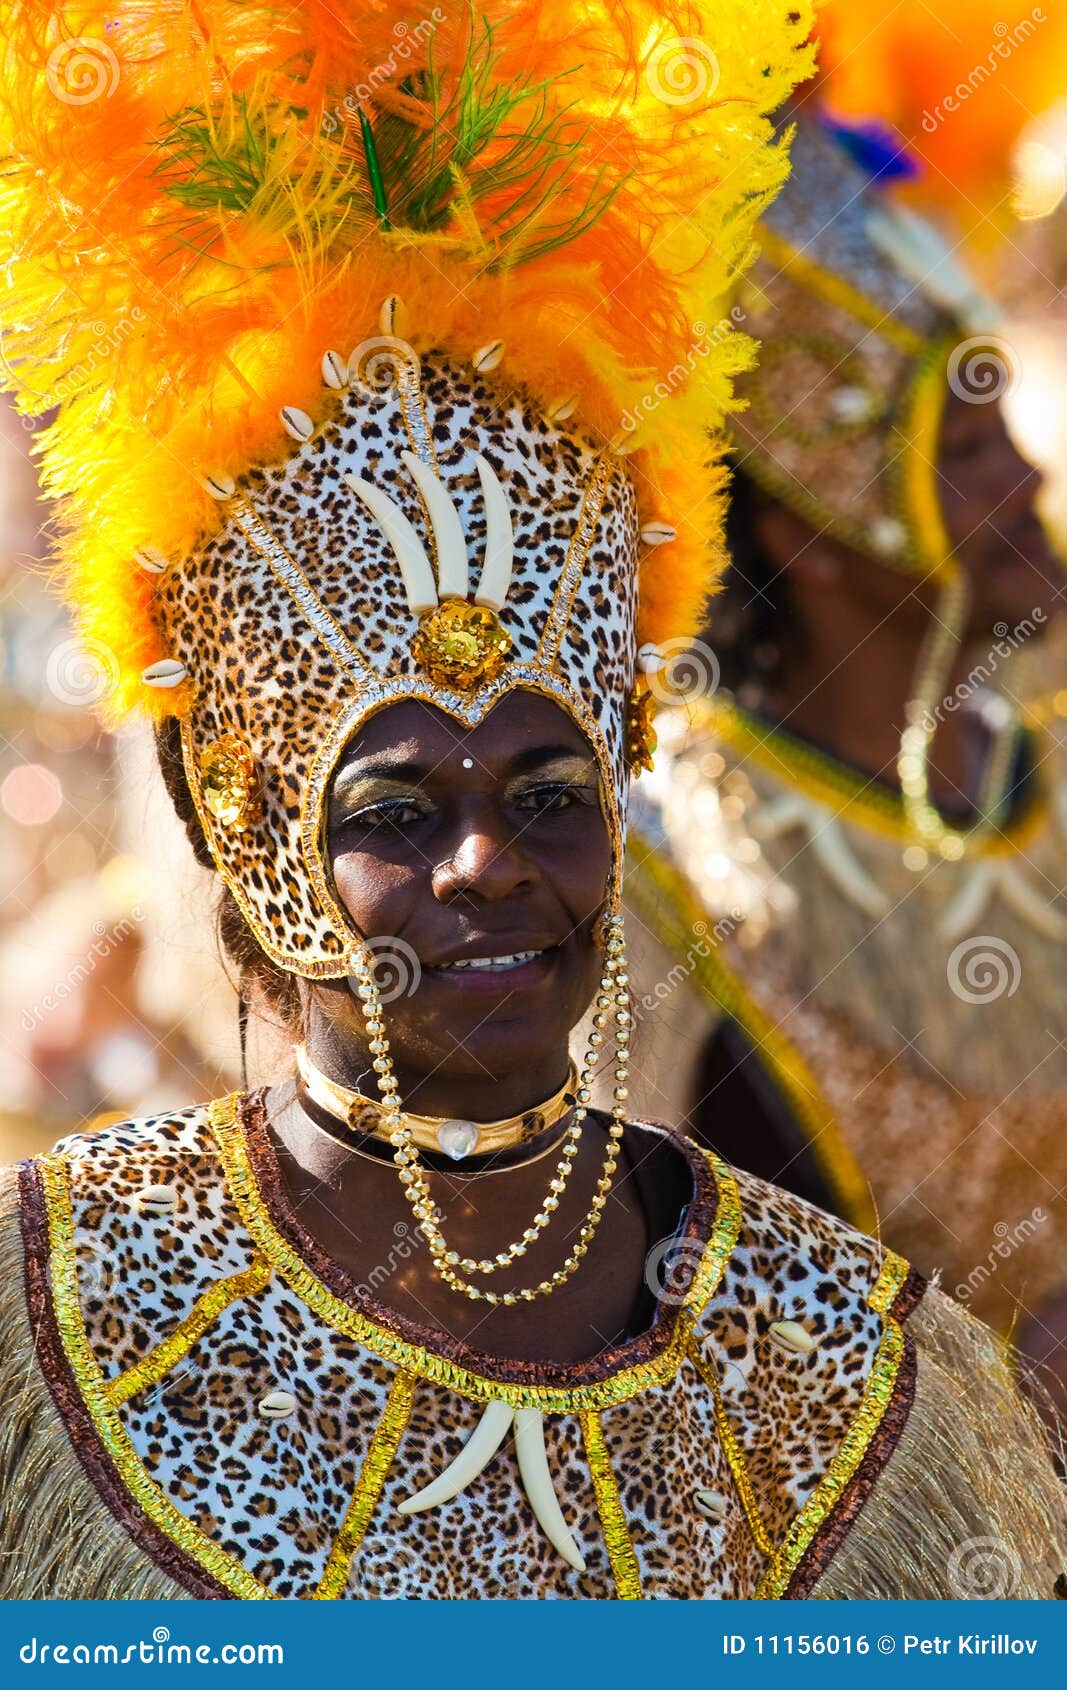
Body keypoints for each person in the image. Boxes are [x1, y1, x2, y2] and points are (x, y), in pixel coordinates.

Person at [0, 5, 1063, 1602]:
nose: (493, 861)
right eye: (402, 807)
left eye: (552, 787)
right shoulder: (50, 1308)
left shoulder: (858, 1378)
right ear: (231, 806)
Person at [623, 113, 1067, 1406]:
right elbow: (688, 1370)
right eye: (968, 451)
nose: (1029, 474)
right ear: (808, 533)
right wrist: (988, 1400)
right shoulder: (686, 883)